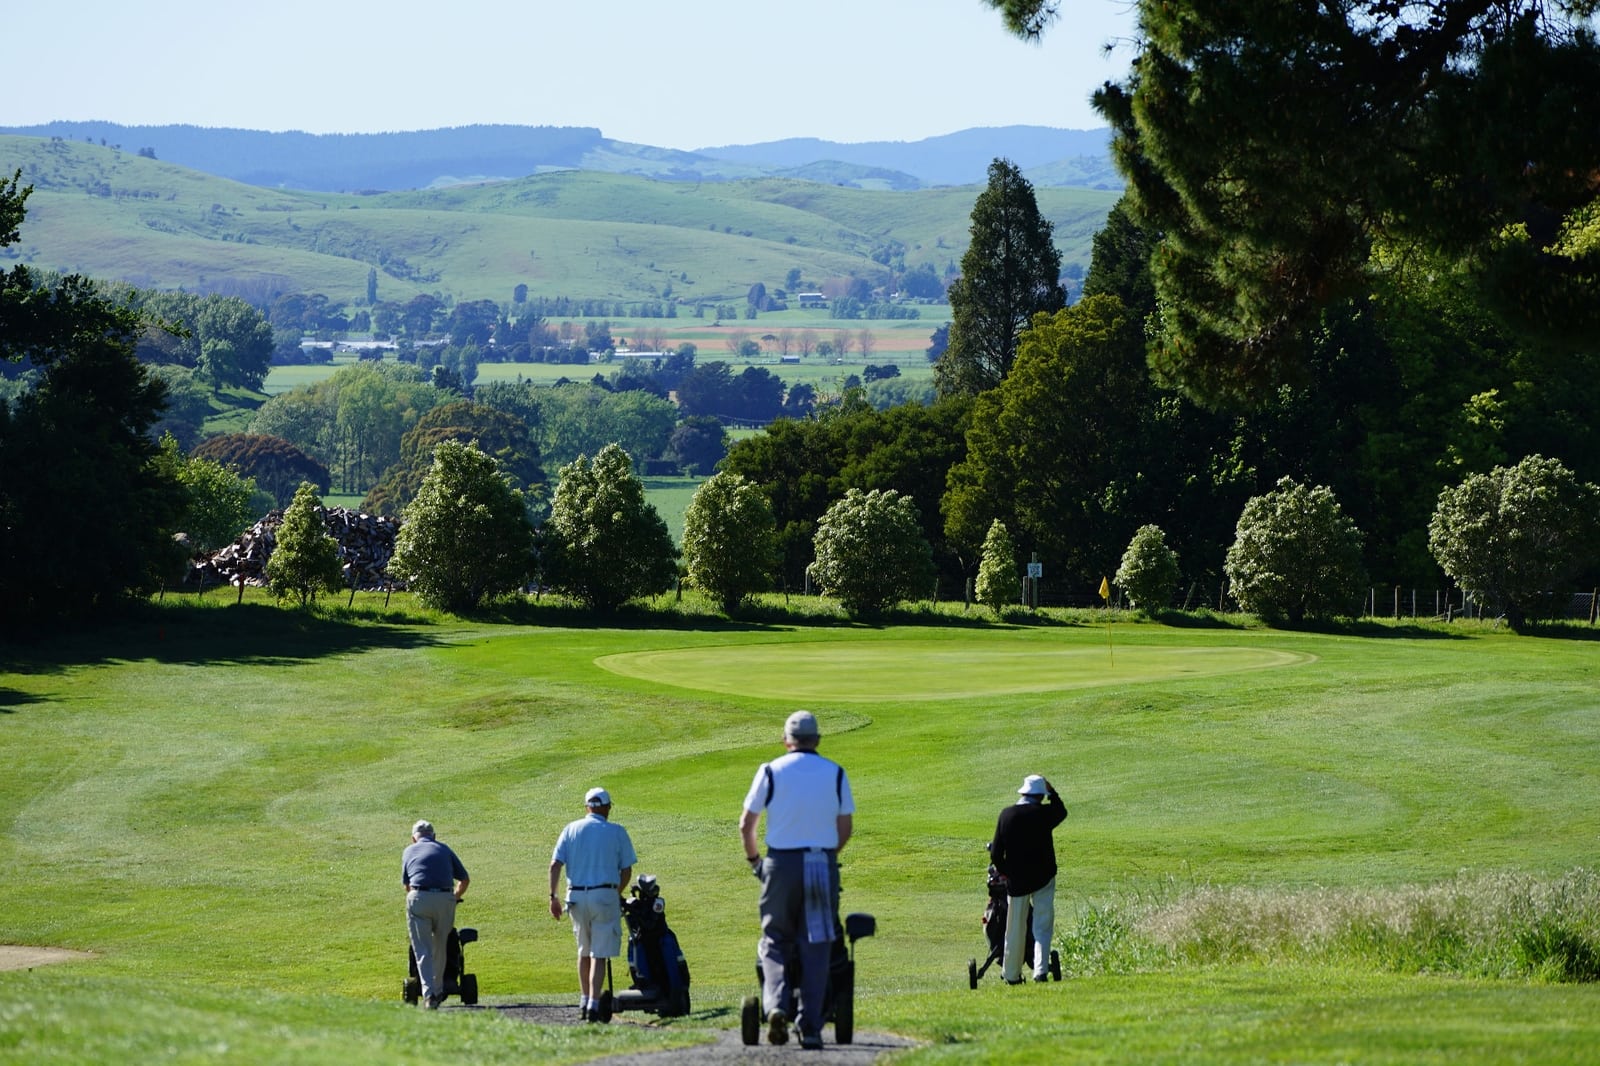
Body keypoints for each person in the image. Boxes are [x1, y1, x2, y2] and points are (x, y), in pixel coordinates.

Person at [739, 710, 854, 1051]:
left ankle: (775, 1007)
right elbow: (845, 827)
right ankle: (812, 1026)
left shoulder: (770, 771)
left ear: (786, 740)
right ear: (817, 739)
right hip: (820, 861)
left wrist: (756, 862)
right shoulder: (835, 772)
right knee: (816, 945)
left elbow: (747, 825)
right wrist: (829, 858)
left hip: (779, 863)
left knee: (774, 940)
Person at [549, 787, 637, 1022]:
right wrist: (616, 892)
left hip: (576, 896)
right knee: (599, 954)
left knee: (583, 951)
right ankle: (593, 1004)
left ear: (587, 807)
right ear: (606, 807)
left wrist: (553, 896)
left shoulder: (571, 829)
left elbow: (555, 865)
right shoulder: (616, 831)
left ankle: (583, 999)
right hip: (604, 895)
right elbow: (627, 870)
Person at [989, 774, 1067, 984]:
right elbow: (1062, 811)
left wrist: (1006, 872)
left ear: (1023, 792)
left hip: (1017, 881)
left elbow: (996, 853)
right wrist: (1052, 791)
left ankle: (1012, 975)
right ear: (1040, 795)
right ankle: (1040, 971)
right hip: (1044, 878)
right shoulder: (1044, 813)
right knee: (1042, 925)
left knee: (1014, 929)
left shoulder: (1006, 815)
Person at [401, 819, 470, 1010]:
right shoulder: (444, 849)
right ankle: (438, 990)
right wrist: (455, 897)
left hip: (419, 897)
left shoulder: (408, 851)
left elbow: (407, 885)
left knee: (422, 949)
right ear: (434, 836)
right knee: (441, 946)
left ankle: (429, 994)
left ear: (413, 839)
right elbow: (464, 879)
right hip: (445, 898)